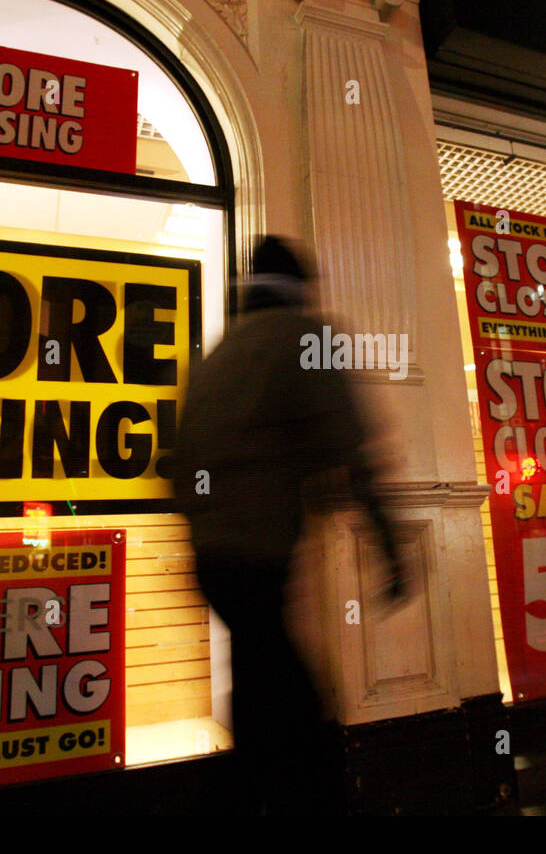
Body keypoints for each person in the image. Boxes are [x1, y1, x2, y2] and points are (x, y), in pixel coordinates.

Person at [170, 235, 407, 816]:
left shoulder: (218, 355)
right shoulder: (306, 338)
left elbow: (182, 465)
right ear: (300, 288)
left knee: (261, 686)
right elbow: (352, 447)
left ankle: (251, 794)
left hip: (212, 560)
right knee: (296, 704)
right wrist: (390, 545)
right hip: (258, 555)